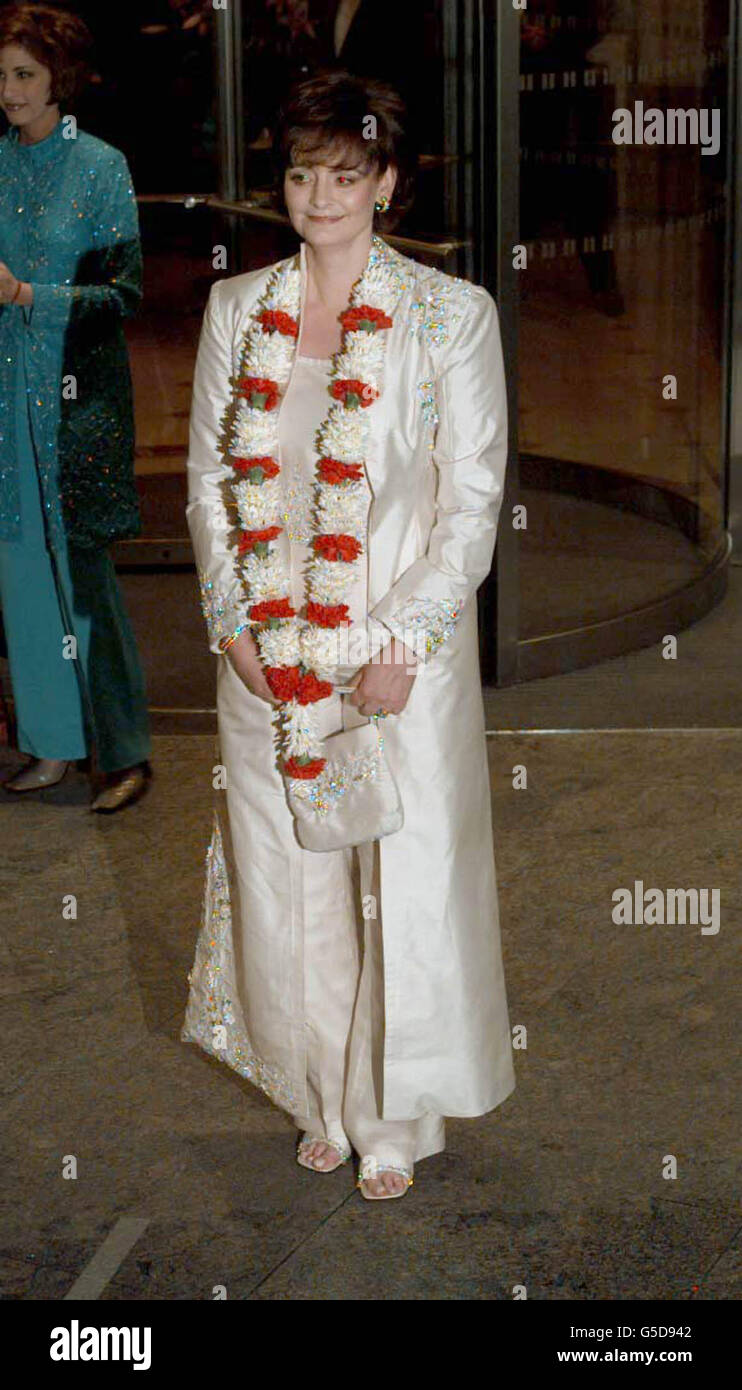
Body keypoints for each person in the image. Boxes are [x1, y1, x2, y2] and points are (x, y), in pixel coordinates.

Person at [183, 69, 515, 1200]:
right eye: (299, 174)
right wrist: (232, 621)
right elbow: (207, 483)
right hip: (267, 647)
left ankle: (392, 1118)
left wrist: (399, 640)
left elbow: (471, 505)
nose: (318, 196)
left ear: (387, 181)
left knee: (398, 879)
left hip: (393, 651)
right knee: (288, 873)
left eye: (343, 173)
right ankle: (320, 1094)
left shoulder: (451, 314)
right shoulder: (238, 309)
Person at [0, 3, 151, 812]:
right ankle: (53, 744)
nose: (9, 90)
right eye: (0, 75)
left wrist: (29, 294)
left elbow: (123, 295)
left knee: (84, 578)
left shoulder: (100, 167)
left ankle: (125, 753)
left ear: (60, 77)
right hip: (3, 399)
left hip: (75, 399)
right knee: (21, 574)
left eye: (24, 74)